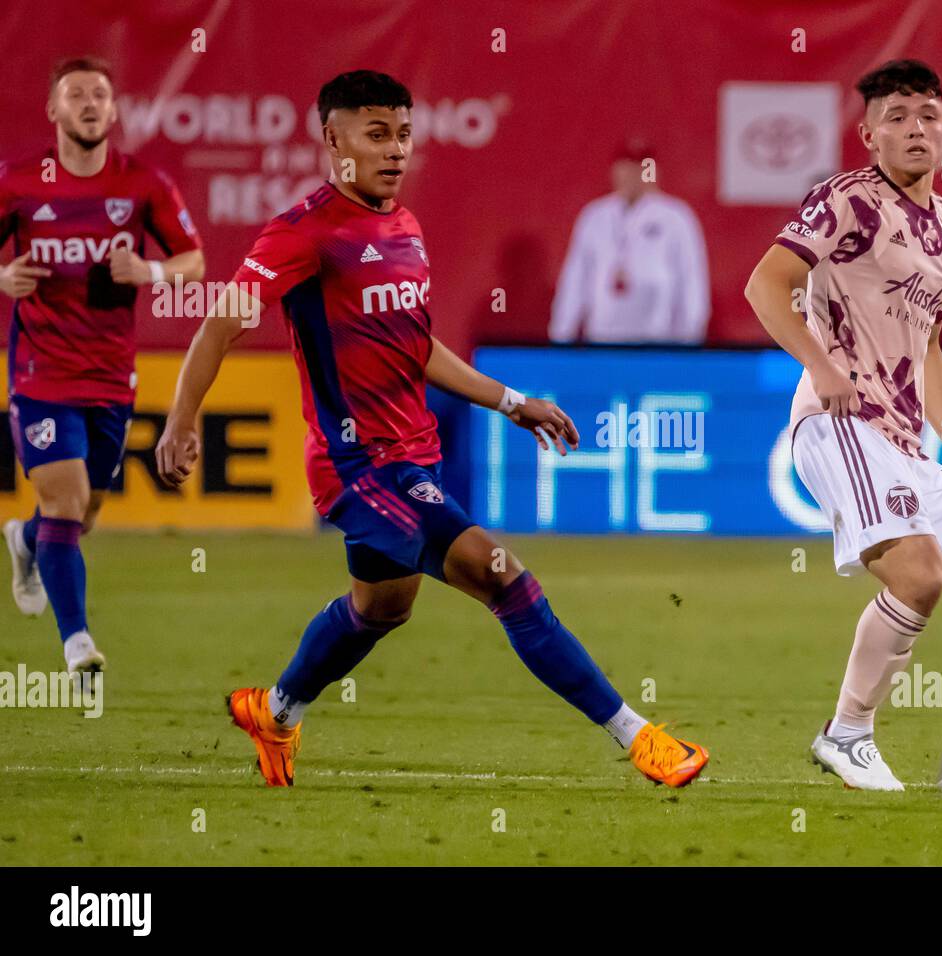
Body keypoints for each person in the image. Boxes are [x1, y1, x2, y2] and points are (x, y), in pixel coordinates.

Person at [155, 71, 708, 788]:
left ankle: (277, 710)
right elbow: (221, 322)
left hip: (414, 457)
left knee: (379, 609)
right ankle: (641, 739)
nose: (396, 151)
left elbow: (417, 345)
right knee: (507, 580)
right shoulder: (303, 233)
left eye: (405, 135)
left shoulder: (403, 226)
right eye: (377, 134)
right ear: (333, 139)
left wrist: (512, 401)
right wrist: (180, 419)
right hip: (359, 468)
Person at [744, 59, 942, 794]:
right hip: (840, 422)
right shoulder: (845, 202)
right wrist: (819, 364)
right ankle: (846, 733)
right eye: (897, 117)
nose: (916, 129)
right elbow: (766, 283)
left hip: (904, 437)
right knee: (918, 576)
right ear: (869, 135)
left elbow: (927, 346)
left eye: (928, 116)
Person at [0, 56, 204, 674]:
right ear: (53, 110)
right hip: (39, 375)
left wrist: (153, 272)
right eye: (75, 95)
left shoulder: (142, 184)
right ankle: (78, 643)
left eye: (99, 95)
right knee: (67, 503)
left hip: (112, 378)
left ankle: (23, 539)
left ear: (114, 111)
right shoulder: (18, 183)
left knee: (81, 514)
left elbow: (194, 260)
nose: (89, 103)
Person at [549, 138, 710, 344]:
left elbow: (691, 281)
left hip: (656, 340)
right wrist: (561, 335)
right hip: (602, 337)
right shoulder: (595, 216)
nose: (632, 174)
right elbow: (575, 278)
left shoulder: (676, 217)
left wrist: (689, 340)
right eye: (626, 166)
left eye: (640, 166)